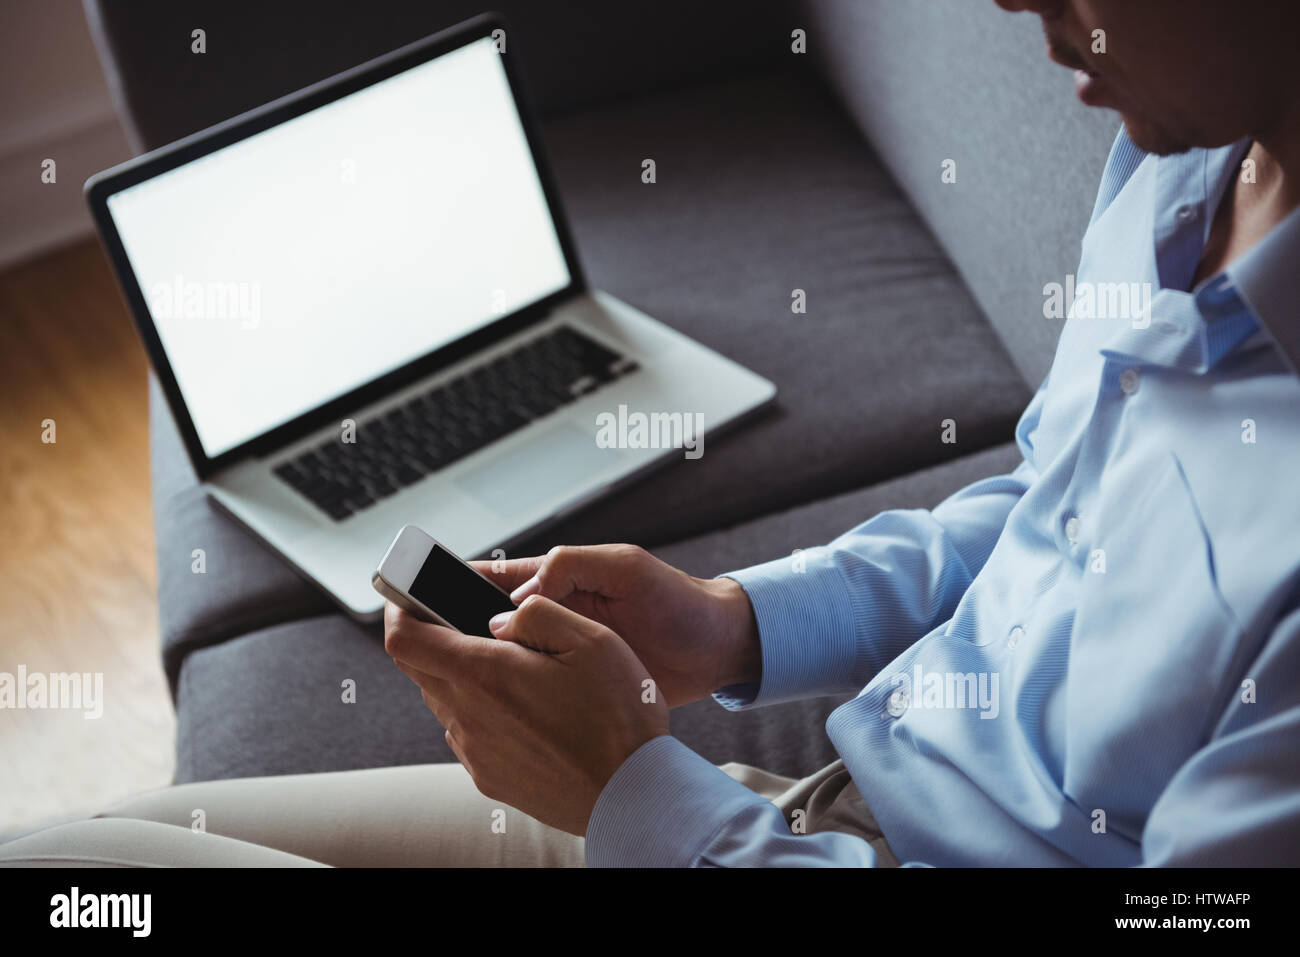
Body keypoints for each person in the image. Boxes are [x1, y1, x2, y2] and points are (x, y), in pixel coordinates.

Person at [4, 0, 1298, 867]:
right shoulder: (1185, 158)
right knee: (82, 857)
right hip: (773, 818)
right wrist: (733, 621)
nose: (1016, 0)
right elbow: (1051, 508)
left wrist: (634, 790)